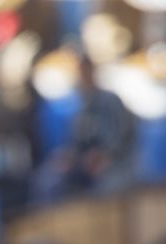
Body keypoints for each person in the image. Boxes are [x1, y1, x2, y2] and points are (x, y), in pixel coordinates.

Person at [34, 54, 137, 199]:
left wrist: (104, 155)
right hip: (83, 162)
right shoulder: (75, 102)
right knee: (48, 180)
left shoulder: (110, 100)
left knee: (108, 185)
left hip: (114, 161)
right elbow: (75, 140)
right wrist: (69, 156)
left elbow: (122, 136)